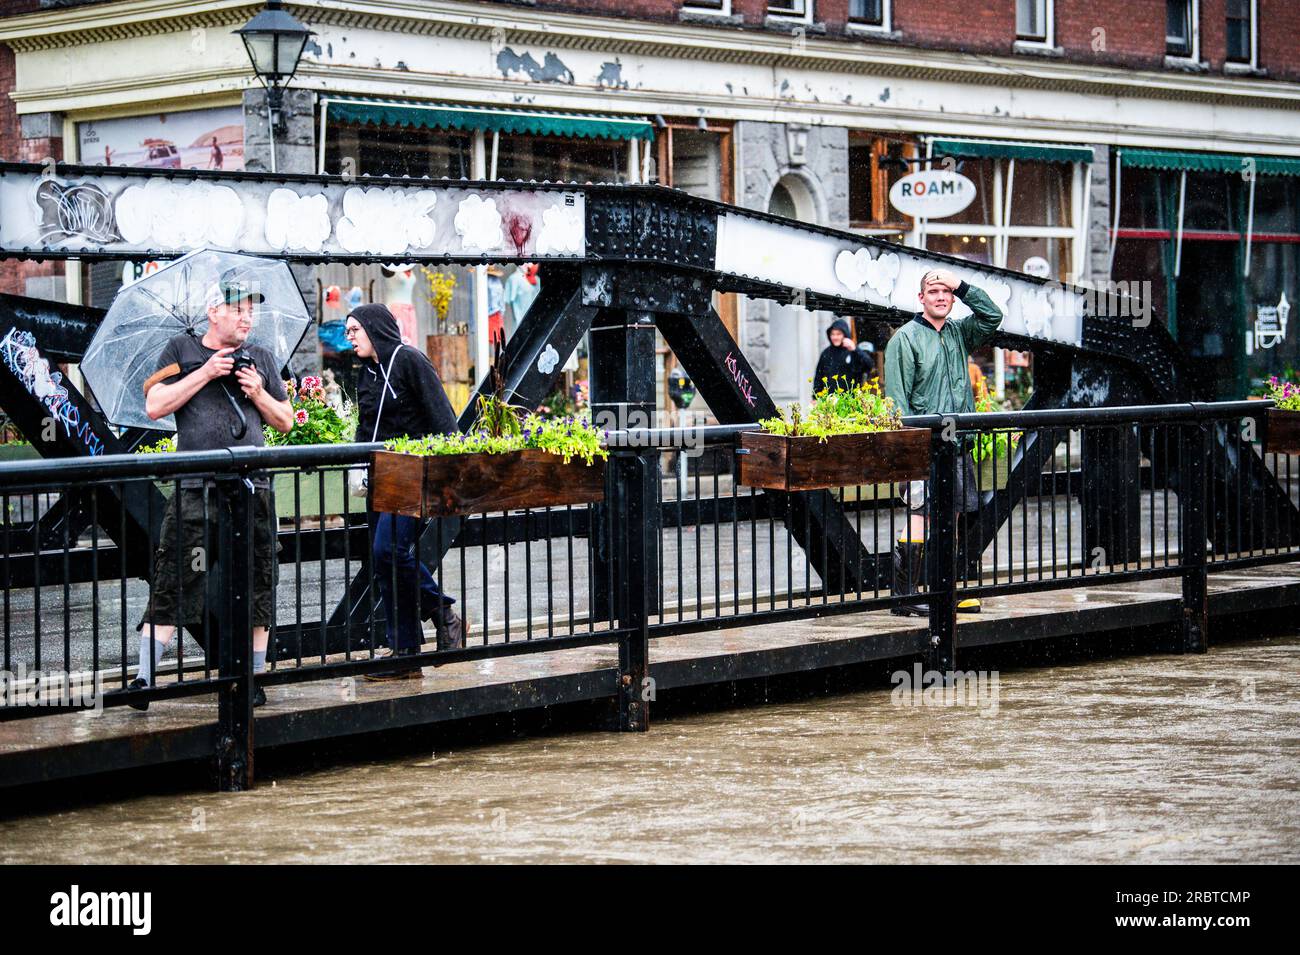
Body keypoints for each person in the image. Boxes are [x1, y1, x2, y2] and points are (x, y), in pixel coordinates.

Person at [126, 273, 293, 710]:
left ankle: (253, 679)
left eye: (251, 309)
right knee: (176, 578)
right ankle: (144, 679)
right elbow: (155, 405)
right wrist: (205, 372)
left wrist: (258, 392)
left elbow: (285, 421)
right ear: (213, 311)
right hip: (195, 491)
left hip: (252, 489)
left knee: (259, 580)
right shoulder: (181, 351)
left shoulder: (261, 358)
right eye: (238, 308)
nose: (246, 317)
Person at [346, 304, 466, 680]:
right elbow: (366, 427)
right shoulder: (367, 371)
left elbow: (444, 421)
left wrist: (442, 475)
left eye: (354, 330)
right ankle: (405, 654)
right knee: (383, 563)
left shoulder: (410, 360)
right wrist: (356, 465)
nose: (348, 337)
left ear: (374, 328)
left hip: (413, 473)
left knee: (389, 550)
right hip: (381, 476)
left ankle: (442, 611)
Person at [884, 268, 1004, 617]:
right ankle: (904, 597)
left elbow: (993, 316)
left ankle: (943, 592)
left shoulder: (959, 333)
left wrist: (962, 285)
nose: (941, 297)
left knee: (950, 518)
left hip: (957, 445)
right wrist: (911, 453)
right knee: (920, 516)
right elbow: (896, 402)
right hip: (925, 446)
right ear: (920, 298)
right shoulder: (904, 339)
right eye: (933, 291)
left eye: (946, 292)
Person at [813, 318, 874, 391]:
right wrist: (815, 396)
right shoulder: (826, 353)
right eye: (833, 334)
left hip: (850, 398)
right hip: (830, 399)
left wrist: (855, 349)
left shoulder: (852, 351)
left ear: (845, 335)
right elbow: (819, 376)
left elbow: (869, 365)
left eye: (838, 334)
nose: (835, 337)